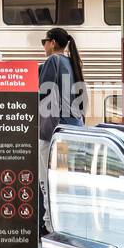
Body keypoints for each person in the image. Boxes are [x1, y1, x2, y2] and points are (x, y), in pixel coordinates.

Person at [38, 27, 86, 235]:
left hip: (53, 133)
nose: (44, 46)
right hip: (71, 130)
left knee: (47, 179)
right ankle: (66, 222)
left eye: (44, 42)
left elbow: (43, 93)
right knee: (62, 180)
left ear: (53, 43)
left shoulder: (53, 61)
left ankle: (50, 225)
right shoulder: (73, 63)